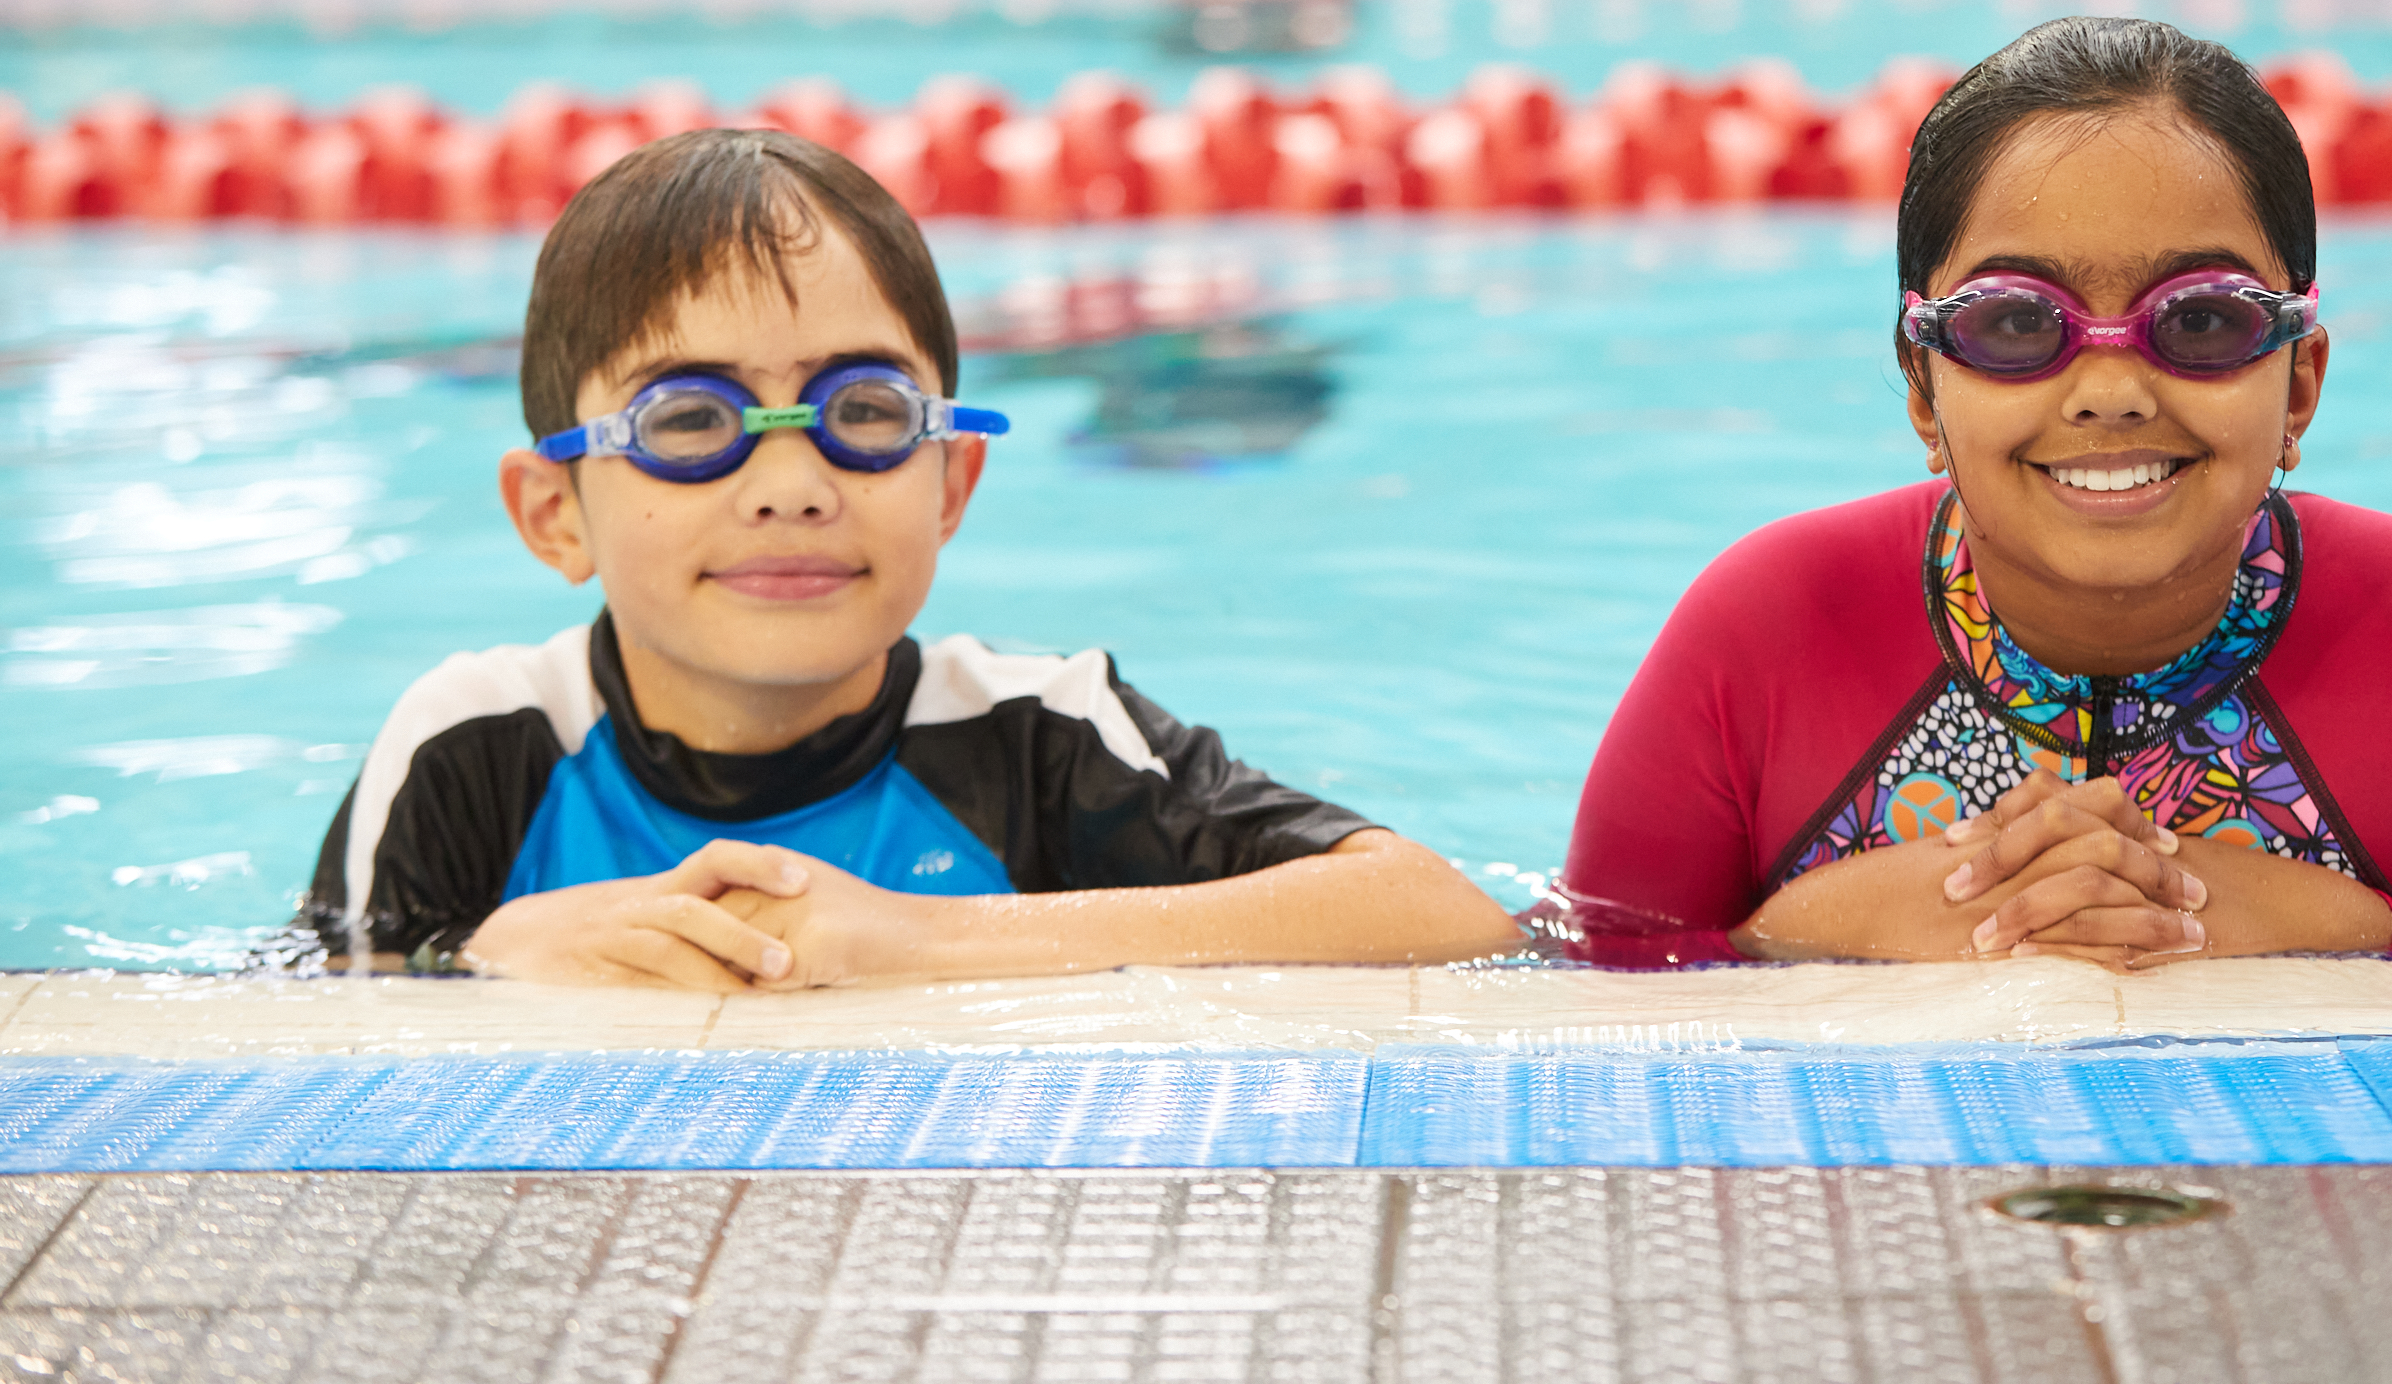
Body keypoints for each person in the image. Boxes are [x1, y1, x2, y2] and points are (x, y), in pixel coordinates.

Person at [1555, 16, 2392, 968]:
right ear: (1922, 390)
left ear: (2299, 386)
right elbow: (1562, 1004)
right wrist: (1810, 933)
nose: (2111, 391)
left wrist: (2342, 928)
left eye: (2201, 319)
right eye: (2015, 322)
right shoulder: (1763, 633)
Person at [301, 128, 1521, 988]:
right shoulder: (478, 748)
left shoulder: (1037, 734)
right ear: (553, 511)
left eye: (865, 413)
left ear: (952, 480)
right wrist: (489, 956)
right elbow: (290, 1032)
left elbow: (1439, 915)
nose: (791, 485)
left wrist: (915, 939)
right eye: (690, 421)